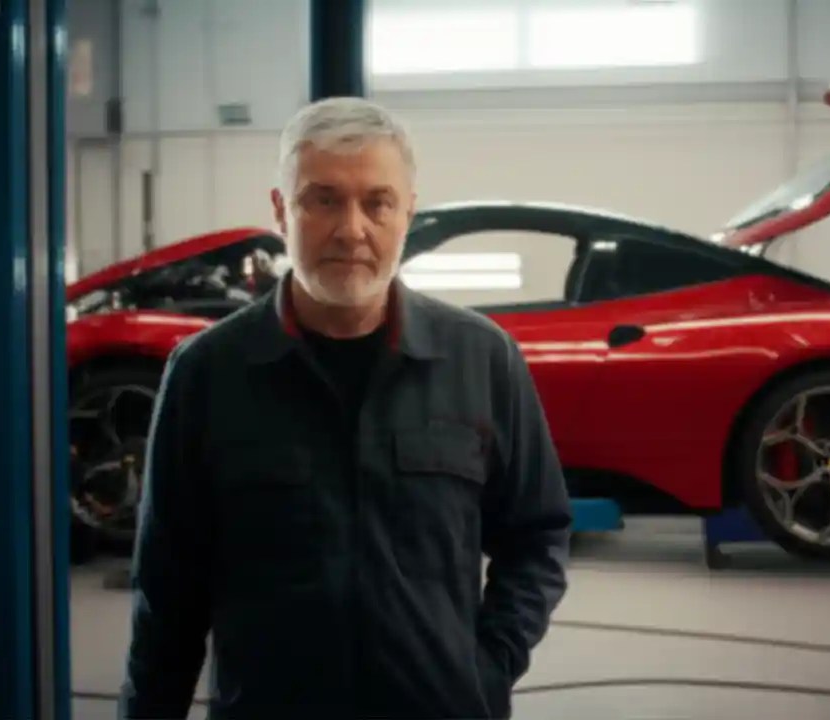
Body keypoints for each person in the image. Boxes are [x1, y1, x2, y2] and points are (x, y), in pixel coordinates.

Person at [119, 96, 573, 719]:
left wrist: (486, 667)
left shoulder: (482, 360)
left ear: (408, 212)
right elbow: (167, 595)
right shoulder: (207, 374)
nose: (351, 228)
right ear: (281, 210)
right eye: (323, 199)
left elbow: (537, 536)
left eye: (377, 202)